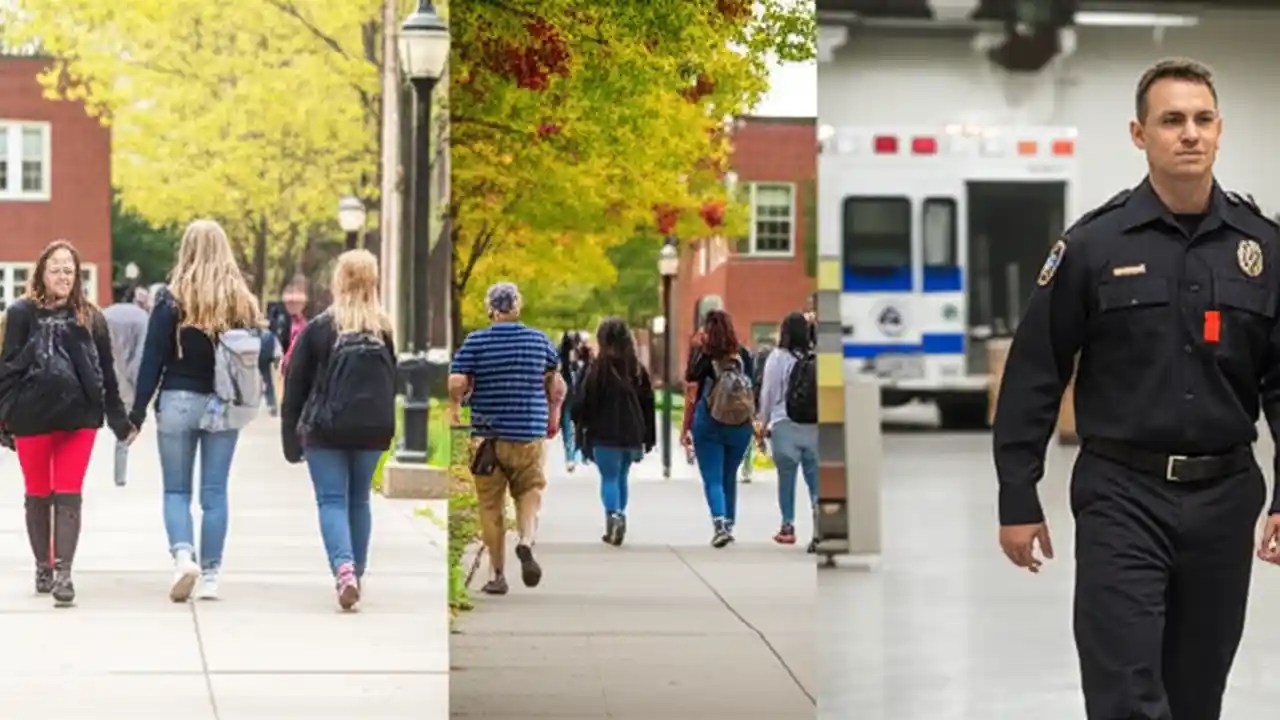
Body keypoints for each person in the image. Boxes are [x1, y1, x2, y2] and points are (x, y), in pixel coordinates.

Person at [993, 57, 1280, 720]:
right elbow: (1037, 371)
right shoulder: (1093, 246)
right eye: (1171, 120)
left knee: (1195, 696)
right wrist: (1017, 494)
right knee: (1124, 692)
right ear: (1138, 133)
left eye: (1202, 119)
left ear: (1219, 129)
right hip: (1122, 497)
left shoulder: (1261, 248)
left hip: (1224, 498)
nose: (1189, 133)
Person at [131, 219, 262, 603]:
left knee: (176, 490)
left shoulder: (171, 299)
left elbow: (152, 360)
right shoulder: (241, 301)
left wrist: (136, 413)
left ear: (186, 249)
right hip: (224, 404)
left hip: (177, 401)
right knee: (215, 493)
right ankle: (211, 577)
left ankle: (183, 556)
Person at [0, 240, 134, 606]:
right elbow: (7, 369)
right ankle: (43, 565)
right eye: (56, 268)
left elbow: (106, 372)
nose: (63, 275)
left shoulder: (91, 317)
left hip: (79, 418)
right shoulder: (20, 314)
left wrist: (120, 420)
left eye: (69, 270)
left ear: (77, 277)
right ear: (42, 271)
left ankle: (64, 574)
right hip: (32, 418)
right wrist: (4, 417)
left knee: (69, 492)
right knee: (38, 493)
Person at [281, 250, 397, 611]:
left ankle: (343, 570)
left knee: (332, 500)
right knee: (359, 499)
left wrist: (290, 441)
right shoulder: (384, 329)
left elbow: (295, 387)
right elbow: (393, 380)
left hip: (326, 429)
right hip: (372, 430)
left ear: (338, 281)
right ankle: (356, 574)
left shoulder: (320, 328)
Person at [448, 282, 565, 596]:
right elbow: (556, 384)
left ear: (491, 309)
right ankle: (525, 542)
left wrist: (456, 406)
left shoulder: (476, 341)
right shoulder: (539, 341)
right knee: (529, 492)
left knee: (490, 507)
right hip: (528, 433)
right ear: (517, 308)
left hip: (488, 439)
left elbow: (457, 380)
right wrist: (553, 417)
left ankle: (497, 575)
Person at [571, 317, 656, 545]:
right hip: (631, 434)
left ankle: (613, 516)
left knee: (608, 477)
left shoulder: (596, 370)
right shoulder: (637, 370)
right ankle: (620, 513)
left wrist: (580, 425)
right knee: (621, 476)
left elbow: (581, 404)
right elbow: (648, 404)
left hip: (603, 434)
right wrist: (648, 437)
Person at [682, 309, 754, 548]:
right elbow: (753, 387)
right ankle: (729, 523)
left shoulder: (704, 356)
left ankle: (720, 523)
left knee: (713, 477)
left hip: (709, 423)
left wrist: (686, 427)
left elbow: (691, 384)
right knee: (728, 475)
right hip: (740, 425)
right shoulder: (743, 355)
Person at [757, 312, 817, 550]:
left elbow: (768, 392)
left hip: (784, 424)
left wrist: (763, 421)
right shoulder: (815, 358)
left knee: (787, 477)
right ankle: (819, 526)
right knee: (815, 481)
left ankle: (787, 526)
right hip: (813, 425)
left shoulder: (777, 357)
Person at [102, 284, 151, 487]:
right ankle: (119, 473)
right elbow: (141, 354)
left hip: (107, 375)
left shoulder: (104, 315)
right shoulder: (142, 318)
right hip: (128, 379)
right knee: (126, 426)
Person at [557, 331, 585, 471]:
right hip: (571, 396)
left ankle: (572, 456)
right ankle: (572, 456)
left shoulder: (576, 358)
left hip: (569, 396)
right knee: (570, 426)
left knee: (568, 426)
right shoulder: (568, 359)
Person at [259, 317, 282, 417]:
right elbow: (277, 350)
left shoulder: (254, 335)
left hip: (254, 360)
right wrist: (276, 361)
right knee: (268, 382)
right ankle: (271, 404)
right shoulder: (271, 336)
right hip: (266, 361)